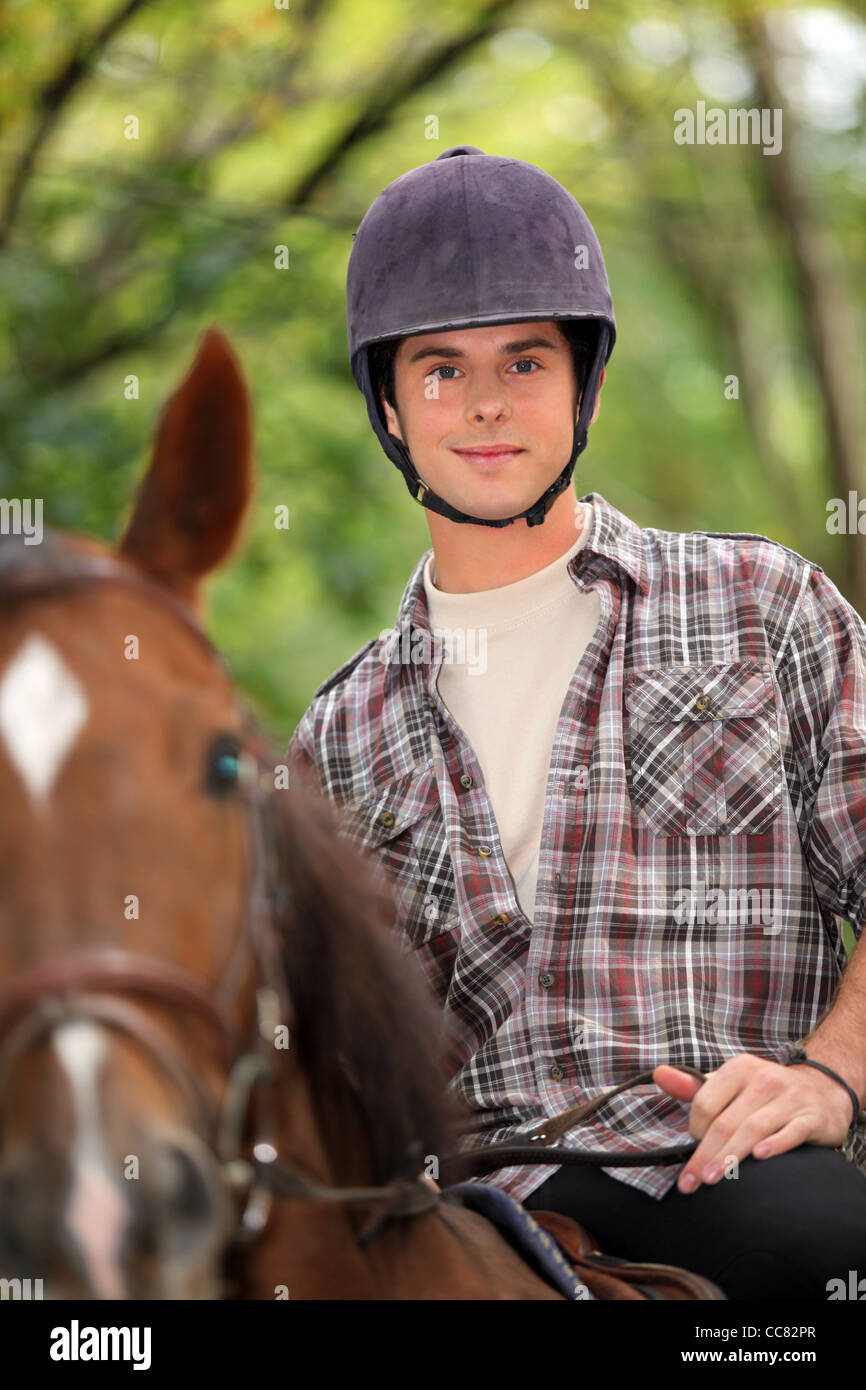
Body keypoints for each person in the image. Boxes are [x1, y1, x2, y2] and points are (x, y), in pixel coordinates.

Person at [287, 145, 866, 1299]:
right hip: (473, 1207)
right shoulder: (339, 734)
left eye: (524, 359)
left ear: (583, 383)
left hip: (728, 1172)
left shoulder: (763, 608)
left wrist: (831, 1076)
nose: (488, 401)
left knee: (829, 1258)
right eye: (441, 368)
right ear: (390, 407)